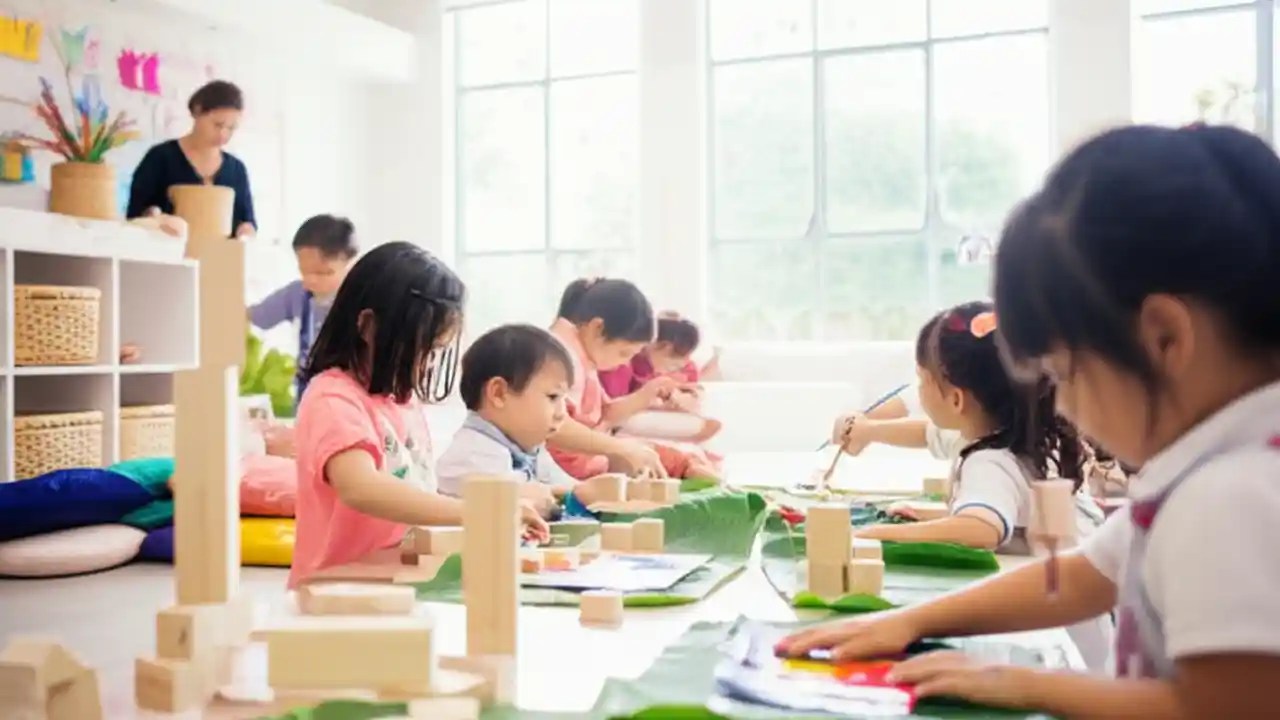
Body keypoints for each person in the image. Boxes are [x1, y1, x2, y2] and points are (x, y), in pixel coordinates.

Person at [777, 124, 1280, 717]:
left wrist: (1021, 682)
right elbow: (1082, 576)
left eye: (1064, 373)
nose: (1060, 405)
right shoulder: (1207, 474)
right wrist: (908, 621)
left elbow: (1224, 709)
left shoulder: (1232, 495)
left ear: (1164, 338)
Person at [287, 242, 549, 588]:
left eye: (436, 351)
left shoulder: (402, 401)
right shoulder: (332, 397)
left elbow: (417, 493)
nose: (427, 362)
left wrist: (499, 507)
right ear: (368, 327)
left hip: (395, 578)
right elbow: (359, 487)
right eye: (424, 348)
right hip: (335, 590)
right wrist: (478, 513)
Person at [846, 302, 1087, 553]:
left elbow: (981, 529)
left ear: (956, 400)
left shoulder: (989, 462)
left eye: (922, 380)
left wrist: (878, 534)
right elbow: (926, 433)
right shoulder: (1023, 437)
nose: (918, 390)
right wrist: (868, 430)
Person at [436, 324, 630, 517]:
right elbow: (529, 503)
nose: (562, 414)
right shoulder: (473, 455)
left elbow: (563, 486)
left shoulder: (531, 449)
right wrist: (573, 495)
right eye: (553, 397)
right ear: (499, 393)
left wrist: (593, 491)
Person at [547, 278, 717, 480]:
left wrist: (649, 393)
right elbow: (552, 426)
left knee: (672, 458)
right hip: (571, 468)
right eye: (624, 353)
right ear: (597, 328)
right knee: (658, 460)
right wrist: (619, 448)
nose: (624, 363)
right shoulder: (562, 356)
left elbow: (606, 413)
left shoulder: (585, 357)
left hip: (593, 457)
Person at [249, 214, 359, 403]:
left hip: (348, 399)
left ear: (351, 265)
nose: (311, 280)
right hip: (308, 396)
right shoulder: (297, 294)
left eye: (323, 273)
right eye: (304, 272)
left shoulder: (361, 300)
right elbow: (257, 316)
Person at [127, 80, 256, 238]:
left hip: (219, 252)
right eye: (218, 125)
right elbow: (135, 214)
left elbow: (247, 221)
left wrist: (246, 231)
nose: (223, 134)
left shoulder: (237, 170)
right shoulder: (160, 157)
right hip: (167, 250)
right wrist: (157, 219)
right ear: (197, 111)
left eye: (231, 128)